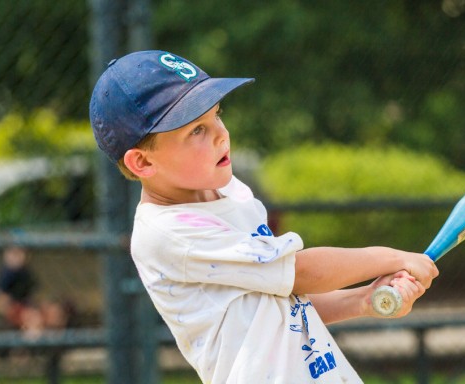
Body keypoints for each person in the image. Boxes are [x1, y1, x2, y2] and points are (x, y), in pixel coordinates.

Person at [89, 50, 439, 382]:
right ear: (143, 162)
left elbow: (280, 305)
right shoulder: (169, 232)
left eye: (216, 115)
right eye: (196, 130)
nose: (221, 135)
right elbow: (298, 272)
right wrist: (391, 257)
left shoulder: (231, 194)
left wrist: (364, 301)